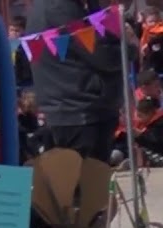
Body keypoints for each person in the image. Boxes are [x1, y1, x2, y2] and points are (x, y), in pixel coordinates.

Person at [27, 0, 125, 163]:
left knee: (82, 182)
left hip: (75, 107)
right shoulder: (61, 9)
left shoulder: (57, 7)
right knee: (86, 183)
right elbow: (104, 55)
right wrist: (130, 46)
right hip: (81, 110)